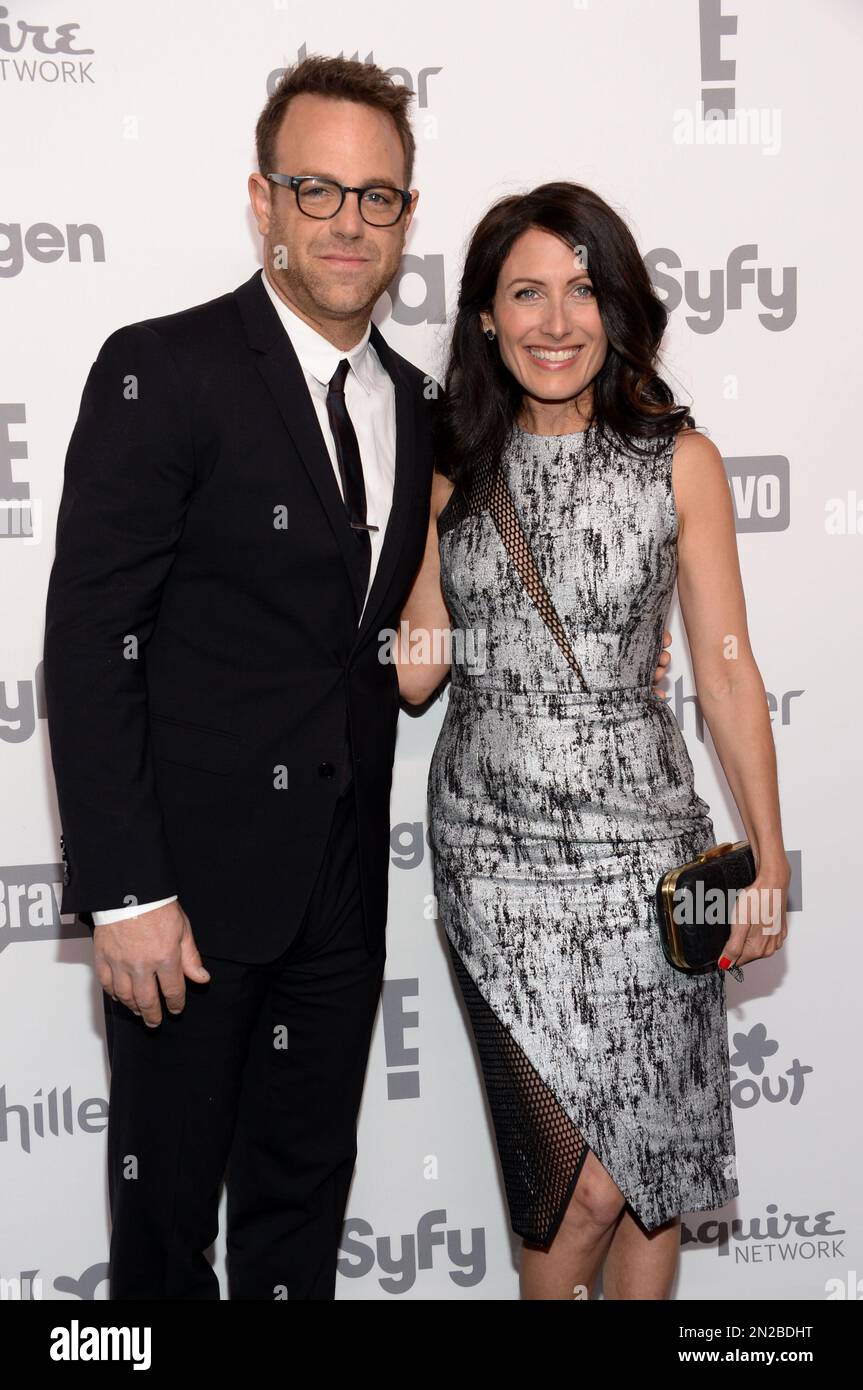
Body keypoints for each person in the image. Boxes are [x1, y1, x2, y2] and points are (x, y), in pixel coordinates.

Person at [42, 54, 438, 1301]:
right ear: (260, 200)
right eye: (315, 188)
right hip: (185, 907)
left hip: (337, 901)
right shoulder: (161, 368)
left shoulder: (420, 405)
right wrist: (124, 892)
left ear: (404, 220)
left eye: (375, 198)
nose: (345, 221)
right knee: (164, 1242)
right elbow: (88, 639)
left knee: (300, 1211)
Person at [398, 181, 791, 1300]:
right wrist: (419, 522)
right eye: (525, 292)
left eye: (580, 290)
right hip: (495, 857)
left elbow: (722, 669)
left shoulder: (679, 461)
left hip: (643, 858)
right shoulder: (448, 465)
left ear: (615, 309)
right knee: (570, 1188)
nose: (555, 321)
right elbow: (418, 669)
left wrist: (763, 853)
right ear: (484, 315)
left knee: (644, 1170)